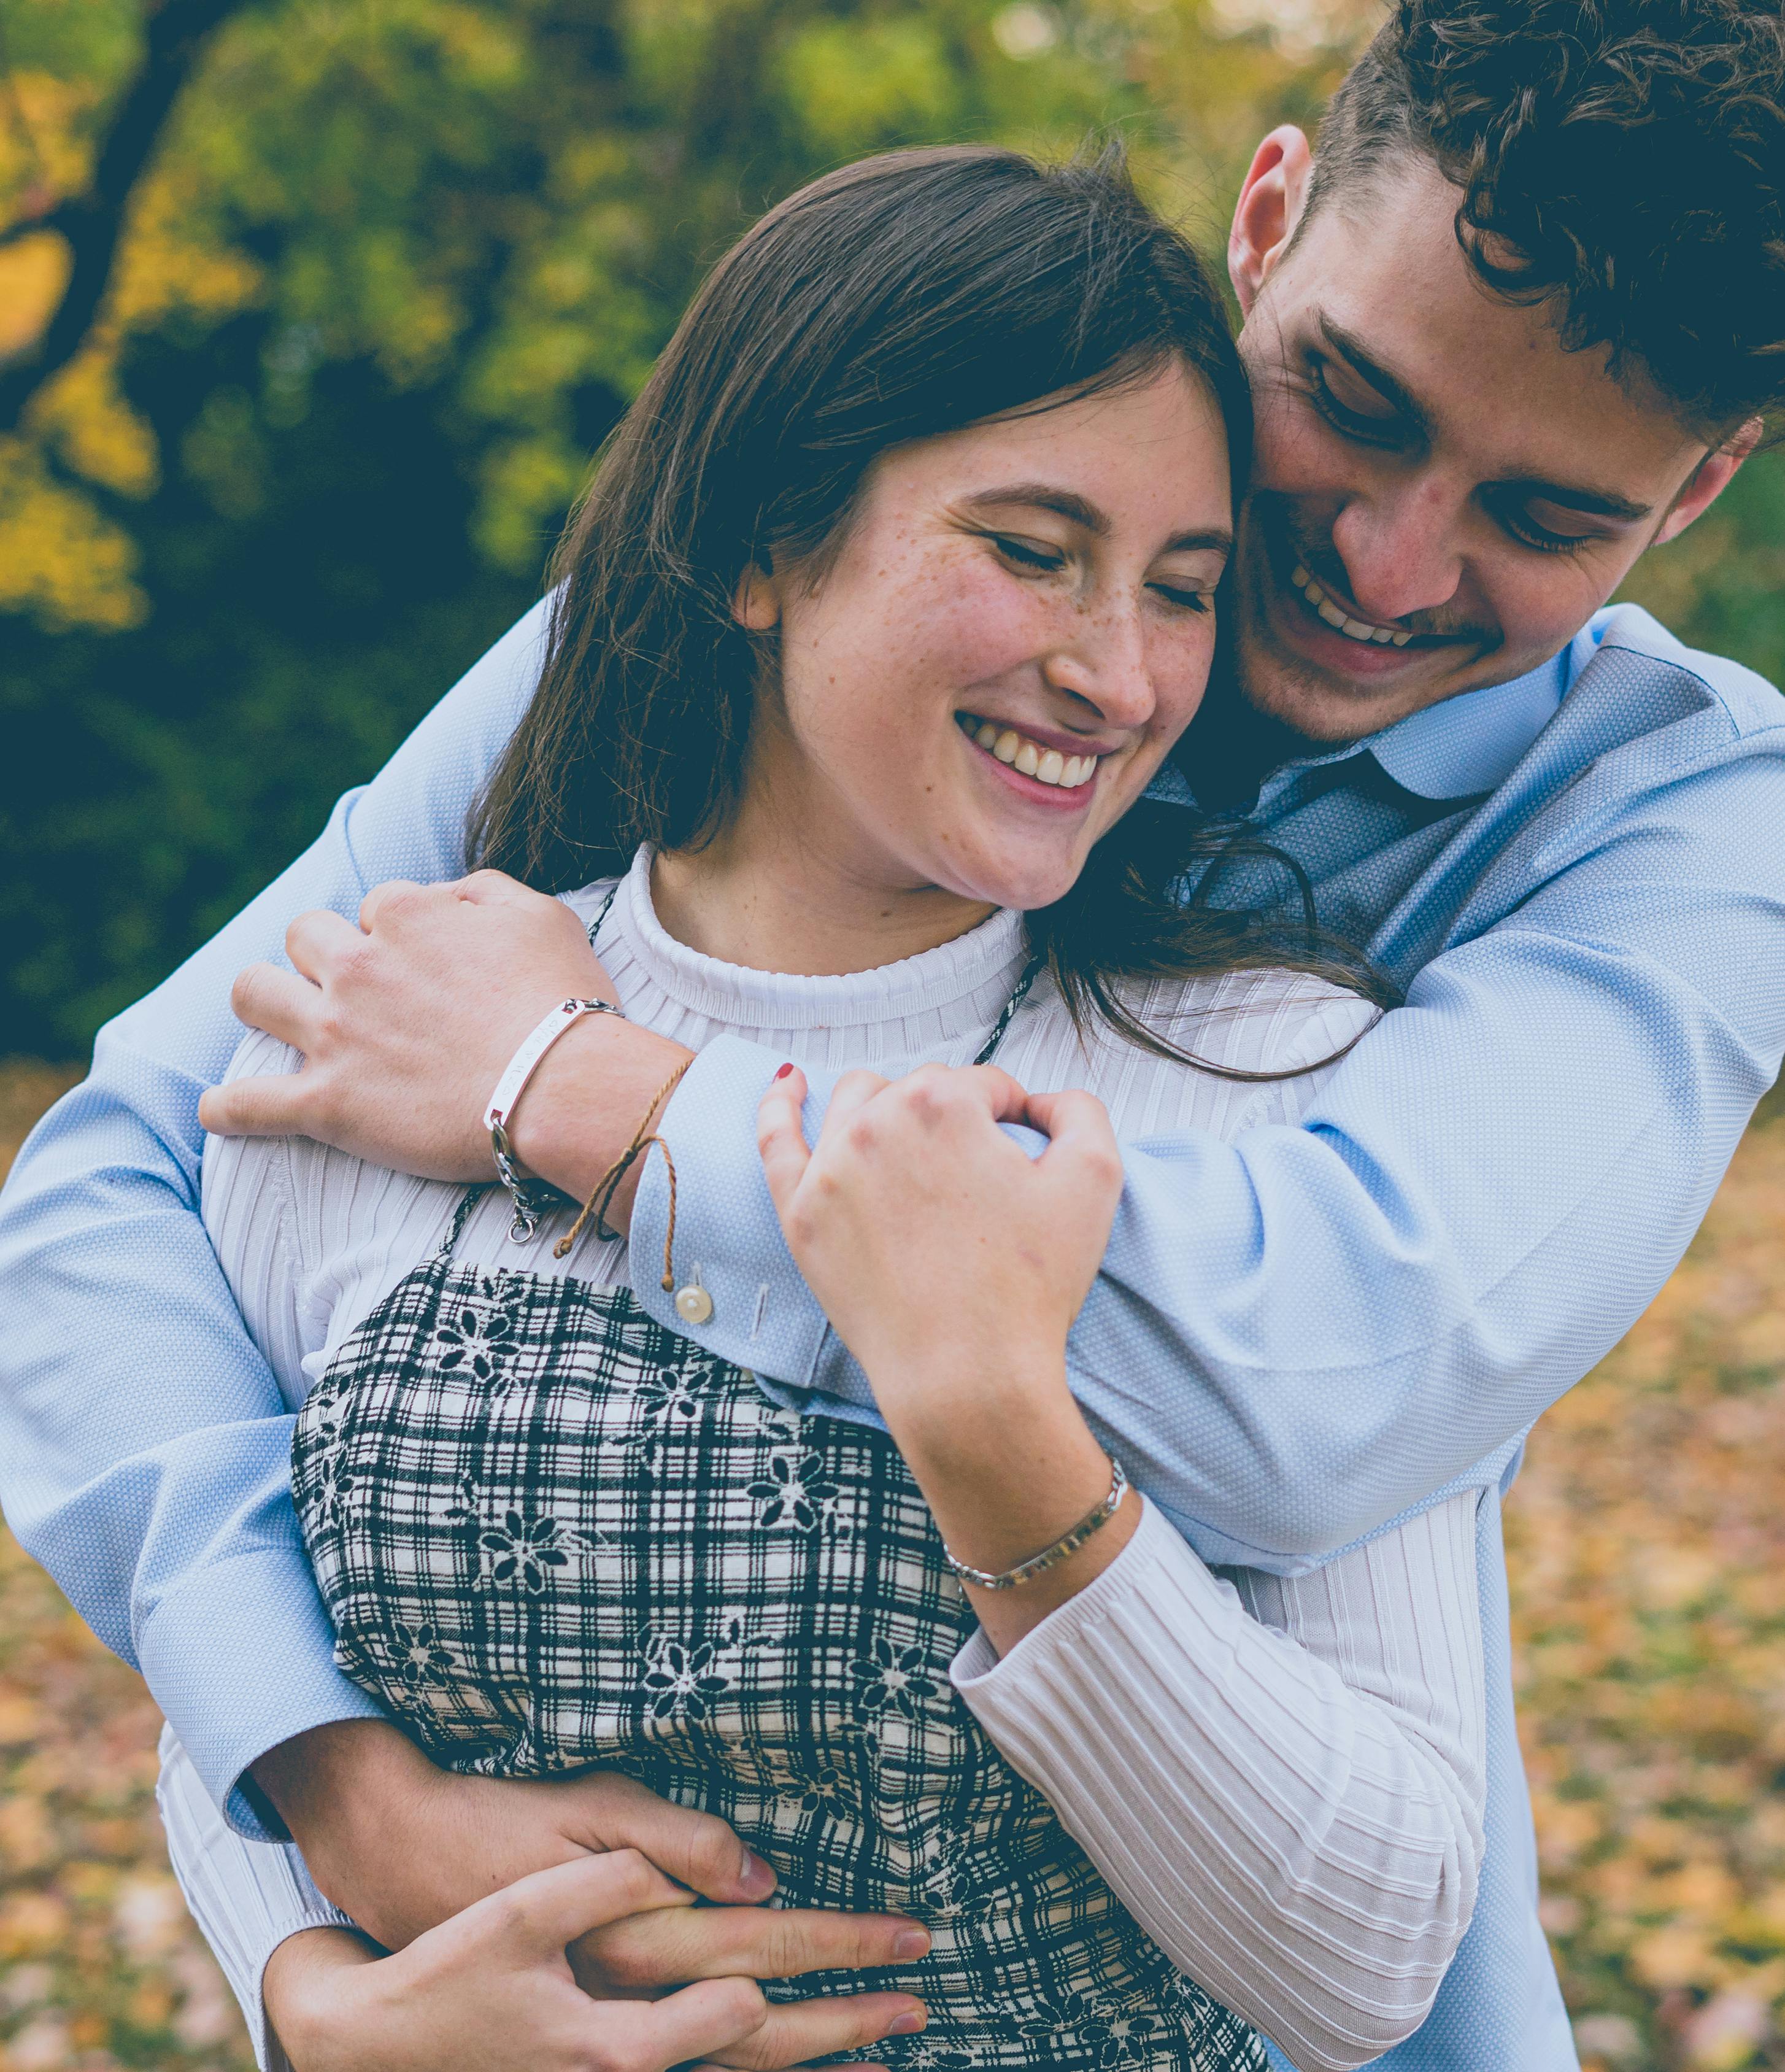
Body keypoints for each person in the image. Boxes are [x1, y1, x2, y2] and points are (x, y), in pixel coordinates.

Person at [2, 1, 1784, 2066]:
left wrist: (593, 1100)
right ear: (1272, 217)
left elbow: (1315, 1390)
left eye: (1546, 518)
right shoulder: (778, 599)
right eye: (1352, 404)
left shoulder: (1686, 825)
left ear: (1705, 486)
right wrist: (326, 1841)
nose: (1381, 565)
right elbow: (137, 1167)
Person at [184, 142, 1485, 2072]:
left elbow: (1372, 1949)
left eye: (1185, 590)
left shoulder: (1270, 1082)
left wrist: (993, 1432)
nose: (1121, 674)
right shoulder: (401, 1019)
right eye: (1033, 552)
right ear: (758, 546)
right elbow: (231, 1667)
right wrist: (317, 2002)